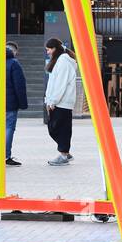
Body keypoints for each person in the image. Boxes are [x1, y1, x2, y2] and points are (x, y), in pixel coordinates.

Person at [0, 41, 29, 166]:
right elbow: (20, 86)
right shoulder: (14, 63)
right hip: (10, 103)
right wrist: (23, 103)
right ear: (14, 52)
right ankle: (5, 156)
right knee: (9, 128)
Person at [44, 38, 79, 166]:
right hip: (60, 102)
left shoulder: (63, 62)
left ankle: (64, 154)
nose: (47, 52)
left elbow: (60, 84)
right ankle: (65, 152)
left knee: (59, 128)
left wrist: (52, 101)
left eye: (48, 49)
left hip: (61, 102)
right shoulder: (60, 61)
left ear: (54, 49)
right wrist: (49, 100)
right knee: (57, 128)